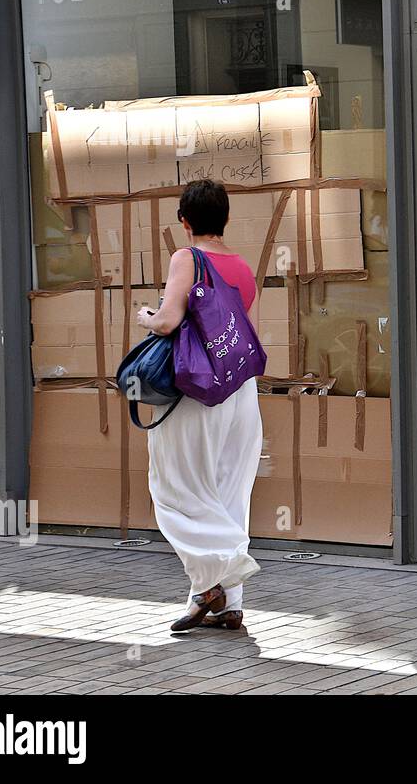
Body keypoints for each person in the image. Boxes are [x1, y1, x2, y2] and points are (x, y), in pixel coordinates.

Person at [136, 179, 262, 634]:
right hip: (241, 392)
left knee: (173, 489)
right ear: (226, 218)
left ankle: (231, 562)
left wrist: (146, 318)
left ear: (185, 221)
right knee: (228, 492)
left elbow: (169, 320)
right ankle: (224, 604)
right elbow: (246, 330)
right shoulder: (243, 266)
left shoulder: (187, 257)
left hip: (197, 391)